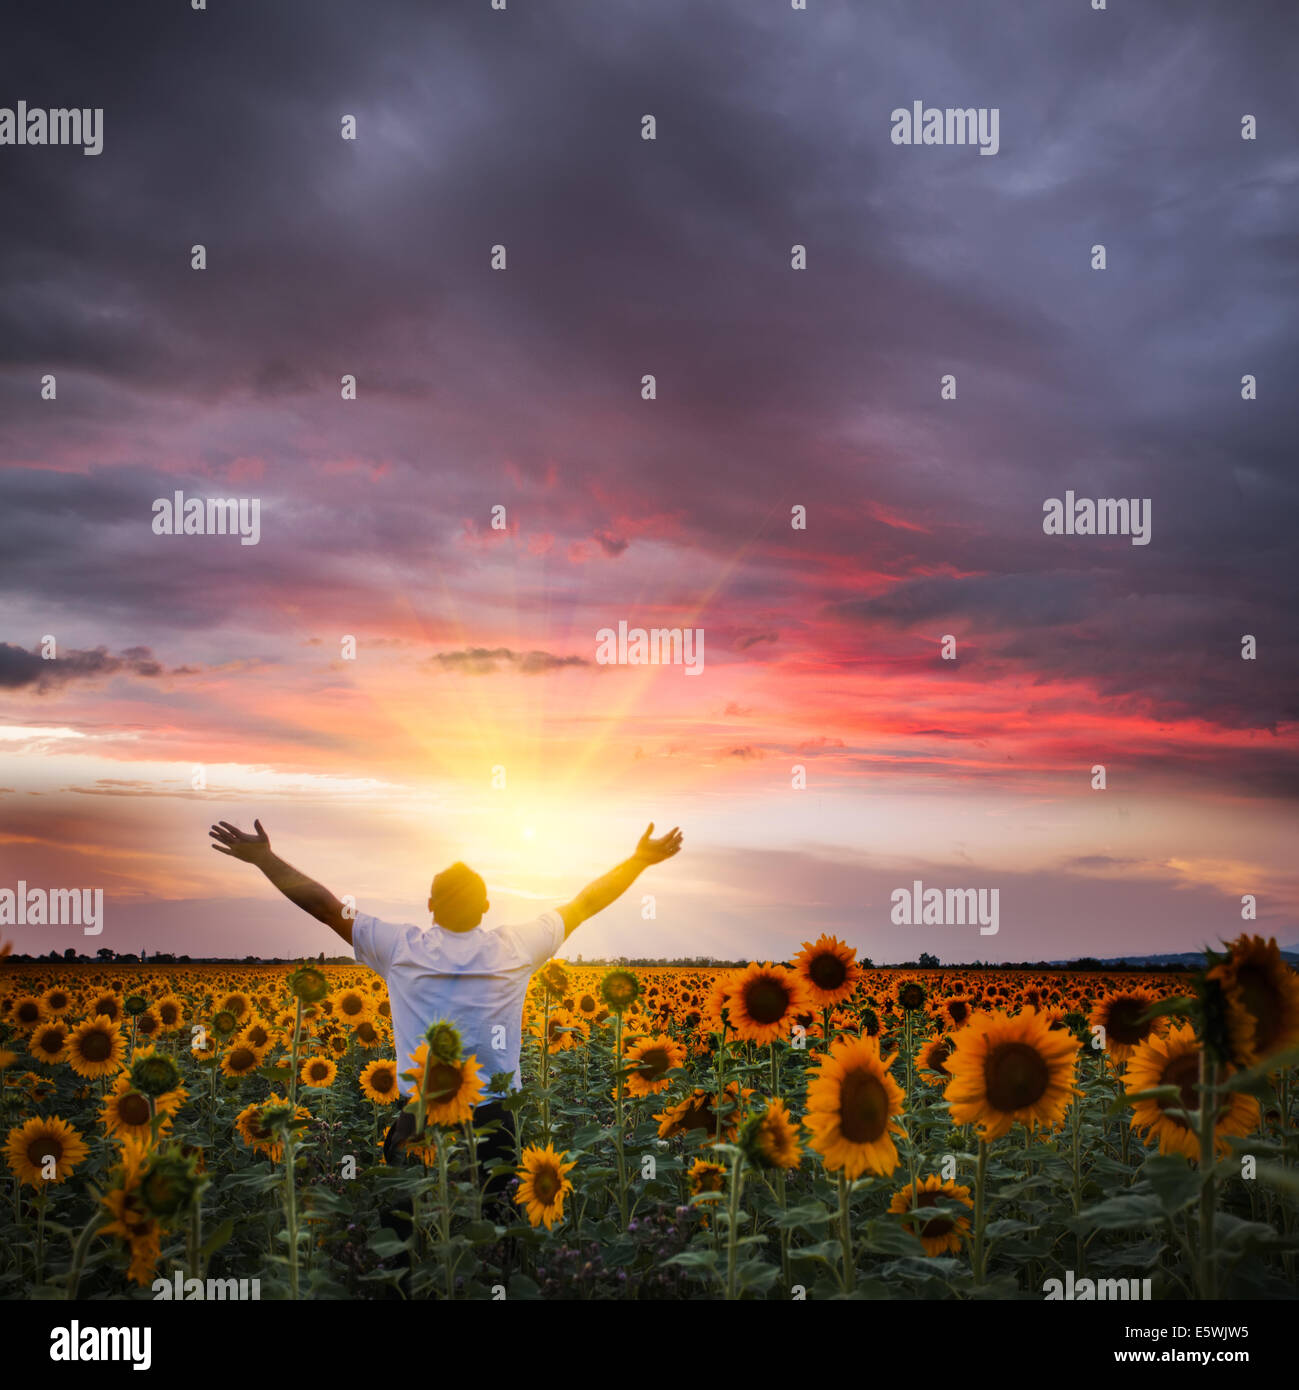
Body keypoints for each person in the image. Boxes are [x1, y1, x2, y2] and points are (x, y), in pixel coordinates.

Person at [207, 817, 684, 1206]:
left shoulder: (400, 947)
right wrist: (638, 862)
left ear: (430, 906)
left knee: (413, 1238)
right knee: (493, 1238)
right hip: (496, 1120)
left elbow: (326, 908)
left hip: (420, 1119)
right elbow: (584, 905)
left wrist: (266, 859)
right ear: (487, 907)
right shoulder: (515, 946)